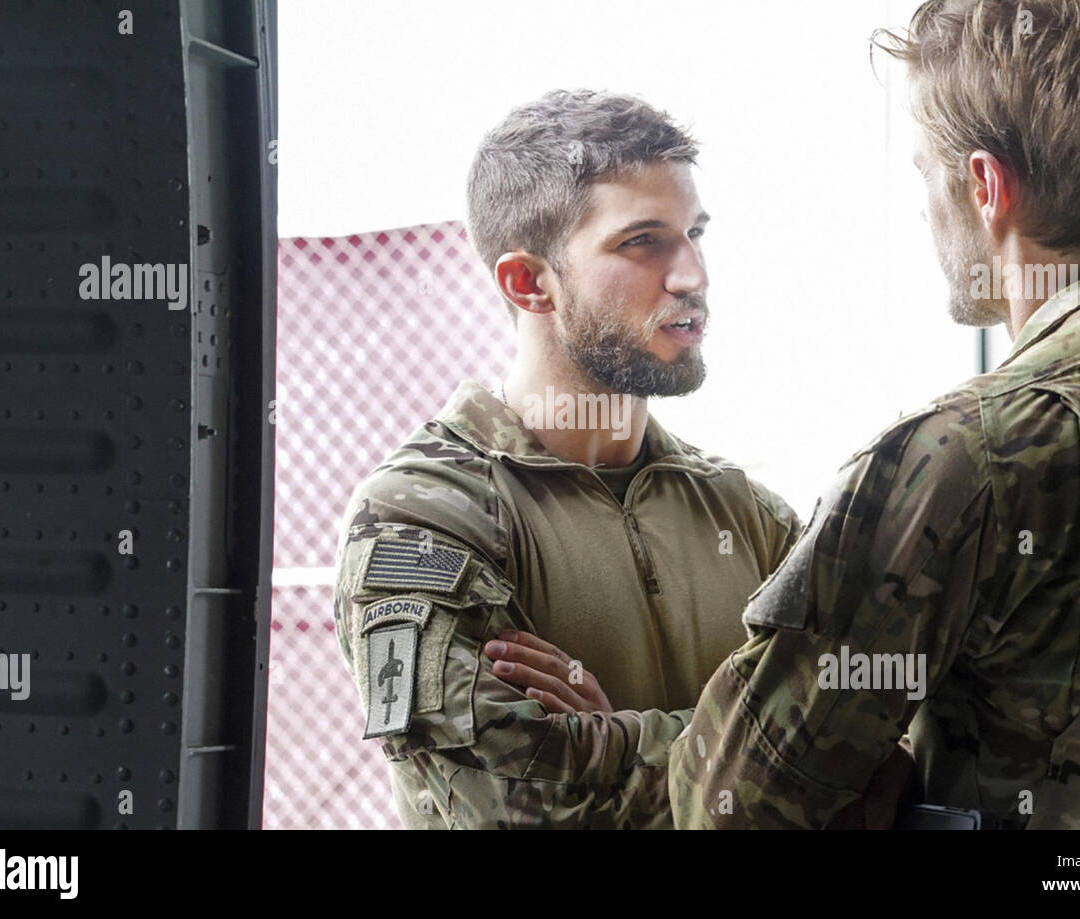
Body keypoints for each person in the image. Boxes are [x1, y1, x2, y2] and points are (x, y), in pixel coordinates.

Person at [671, 0, 1080, 829]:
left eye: (927, 173)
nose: (924, 208)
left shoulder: (958, 454)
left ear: (984, 186)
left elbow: (730, 800)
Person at [333, 89, 806, 828]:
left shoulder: (746, 512)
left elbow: (880, 738)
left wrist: (608, 736)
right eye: (643, 241)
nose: (692, 276)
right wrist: (762, 740)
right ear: (530, 283)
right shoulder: (423, 513)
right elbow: (522, 803)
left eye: (695, 233)